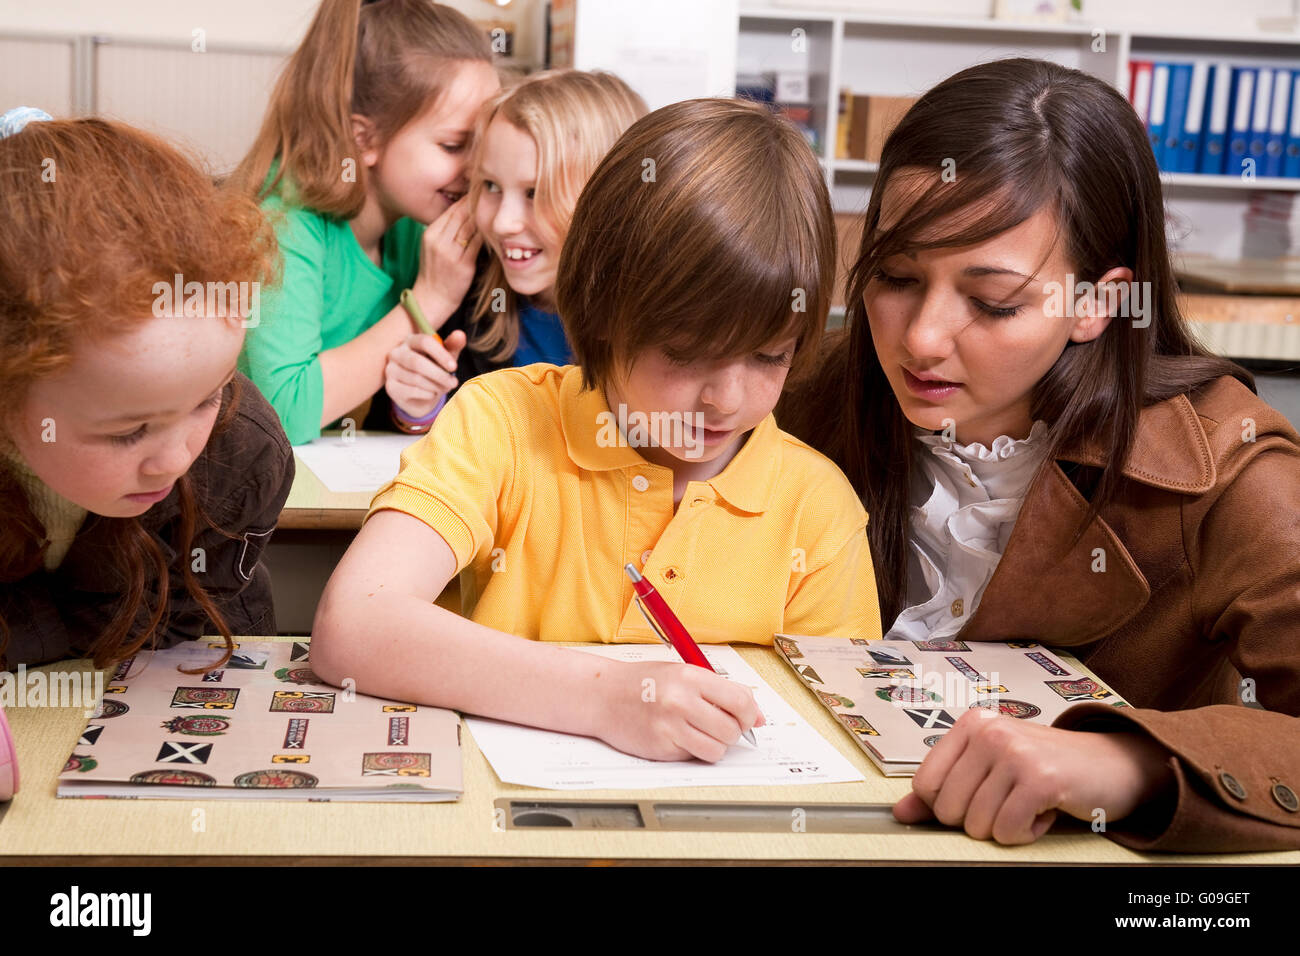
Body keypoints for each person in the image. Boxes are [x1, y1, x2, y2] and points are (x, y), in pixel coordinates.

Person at [777, 57, 1300, 852]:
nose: (920, 339)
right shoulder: (804, 392)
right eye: (894, 275)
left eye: (993, 302)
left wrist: (1127, 765)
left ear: (1098, 302)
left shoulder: (1226, 470)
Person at [311, 98, 880, 763]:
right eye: (686, 350)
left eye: (769, 355)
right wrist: (607, 696)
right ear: (606, 305)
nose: (726, 398)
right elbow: (352, 626)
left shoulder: (816, 506)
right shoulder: (502, 419)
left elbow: (840, 740)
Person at [0, 110, 292, 673]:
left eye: (209, 396)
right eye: (129, 431)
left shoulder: (240, 449)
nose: (178, 459)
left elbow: (164, 625)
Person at [231, 0, 499, 443]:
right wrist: (429, 301)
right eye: (454, 146)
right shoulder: (283, 222)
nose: (476, 169)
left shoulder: (420, 218)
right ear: (365, 140)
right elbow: (282, 411)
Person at [385, 69, 648, 420]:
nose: (502, 222)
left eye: (534, 193)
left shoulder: (655, 324)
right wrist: (420, 405)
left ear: (611, 201)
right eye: (491, 186)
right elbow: (454, 425)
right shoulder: (473, 294)